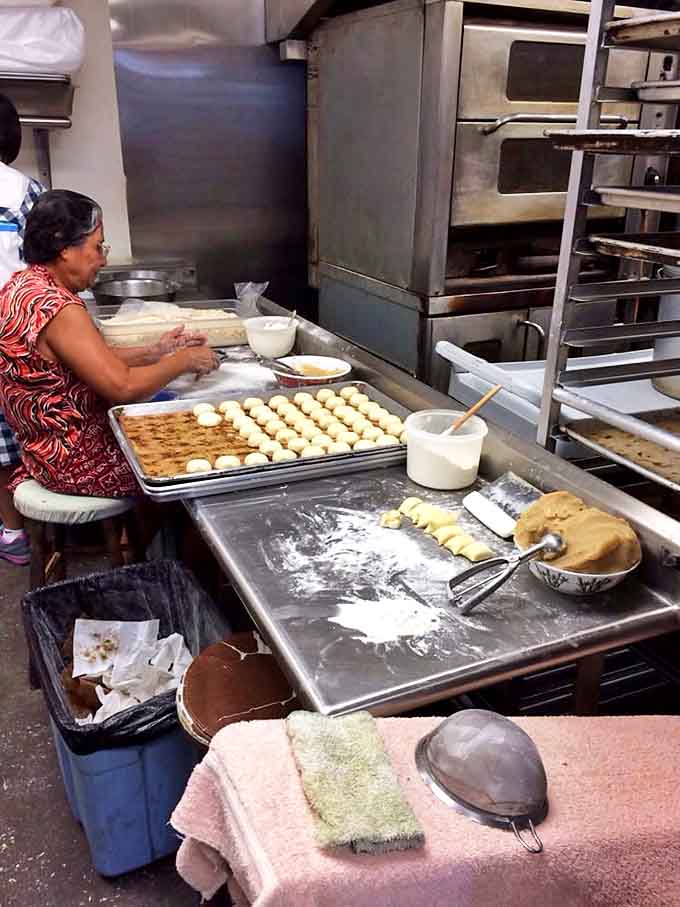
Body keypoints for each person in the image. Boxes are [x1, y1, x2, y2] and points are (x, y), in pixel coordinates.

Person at [0, 189, 218, 515]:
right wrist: (183, 360)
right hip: (78, 460)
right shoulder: (58, 308)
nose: (102, 259)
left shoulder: (23, 286)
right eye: (97, 247)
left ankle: (147, 535)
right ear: (64, 248)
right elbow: (122, 386)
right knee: (202, 456)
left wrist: (157, 352)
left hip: (42, 451)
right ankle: (171, 544)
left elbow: (85, 359)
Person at [0, 93, 46, 565]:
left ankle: (12, 530)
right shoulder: (22, 191)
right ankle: (29, 522)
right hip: (18, 329)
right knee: (22, 430)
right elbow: (46, 269)